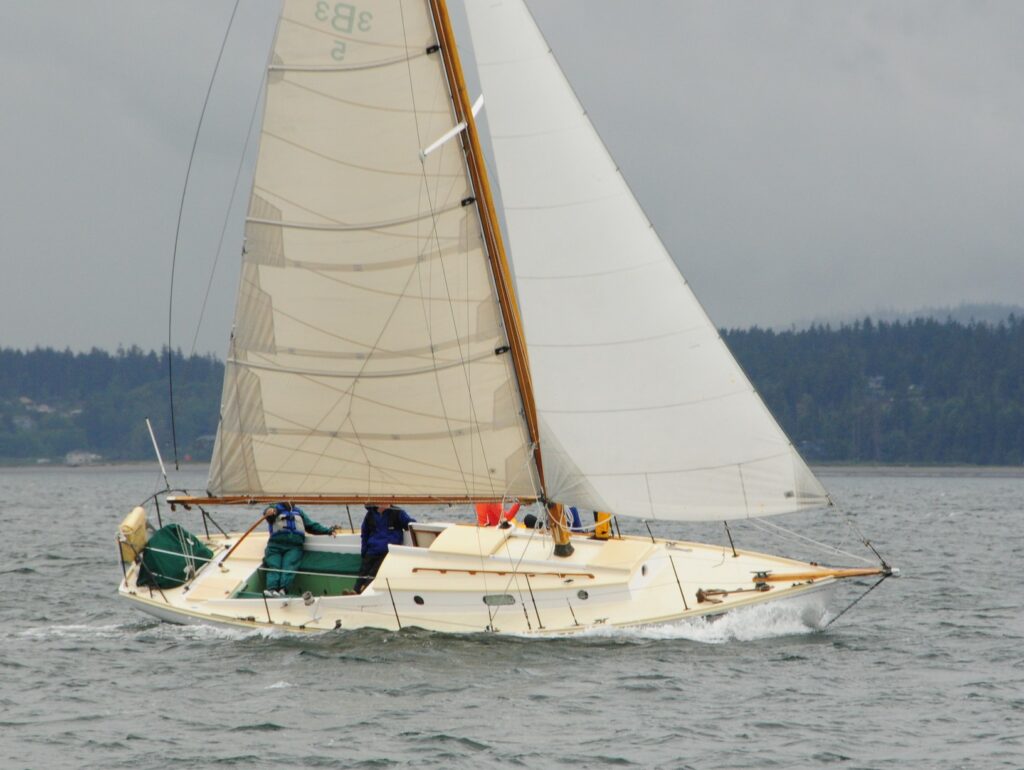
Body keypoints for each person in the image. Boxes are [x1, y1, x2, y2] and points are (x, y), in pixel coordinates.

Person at [262, 502, 336, 597]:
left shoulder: (299, 512)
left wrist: (328, 531)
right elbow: (267, 514)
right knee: (273, 565)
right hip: (275, 546)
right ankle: (271, 589)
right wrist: (269, 511)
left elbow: (311, 526)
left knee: (289, 565)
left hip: (294, 547)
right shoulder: (275, 508)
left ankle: (283, 590)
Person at [353, 503, 415, 594]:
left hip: (388, 551)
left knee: (374, 571)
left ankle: (363, 592)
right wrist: (364, 551)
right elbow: (365, 534)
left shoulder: (397, 513)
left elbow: (410, 523)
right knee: (363, 570)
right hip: (372, 550)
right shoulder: (370, 515)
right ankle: (355, 590)